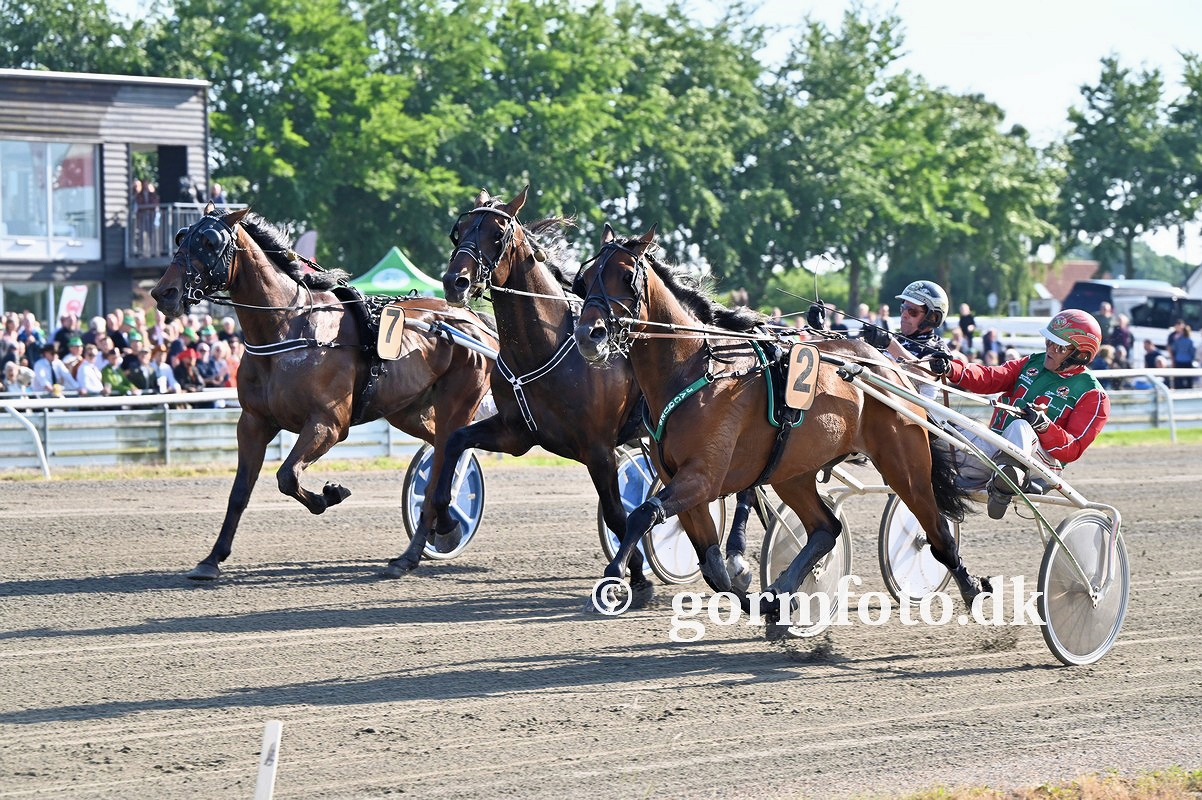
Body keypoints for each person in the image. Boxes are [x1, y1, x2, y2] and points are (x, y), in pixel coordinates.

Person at [934, 309, 1110, 519]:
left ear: (1080, 354)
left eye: (1059, 346)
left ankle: (1007, 480)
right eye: (1048, 342)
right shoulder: (1031, 363)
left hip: (1040, 468)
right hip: (996, 449)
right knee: (941, 424)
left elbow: (1073, 449)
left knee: (1021, 427)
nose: (1050, 349)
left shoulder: (1093, 395)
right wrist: (953, 369)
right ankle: (992, 475)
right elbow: (991, 377)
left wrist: (1043, 426)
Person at [860, 280, 951, 399]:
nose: (904, 314)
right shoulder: (895, 338)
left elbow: (924, 375)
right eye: (903, 308)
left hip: (916, 415)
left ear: (932, 317)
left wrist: (889, 343)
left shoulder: (937, 348)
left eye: (912, 311)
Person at [1168, 322, 1196, 389]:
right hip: (1188, 361)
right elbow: (1192, 352)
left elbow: (1174, 349)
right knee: (1189, 379)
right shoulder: (1190, 341)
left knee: (1178, 379)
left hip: (1179, 361)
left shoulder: (1177, 340)